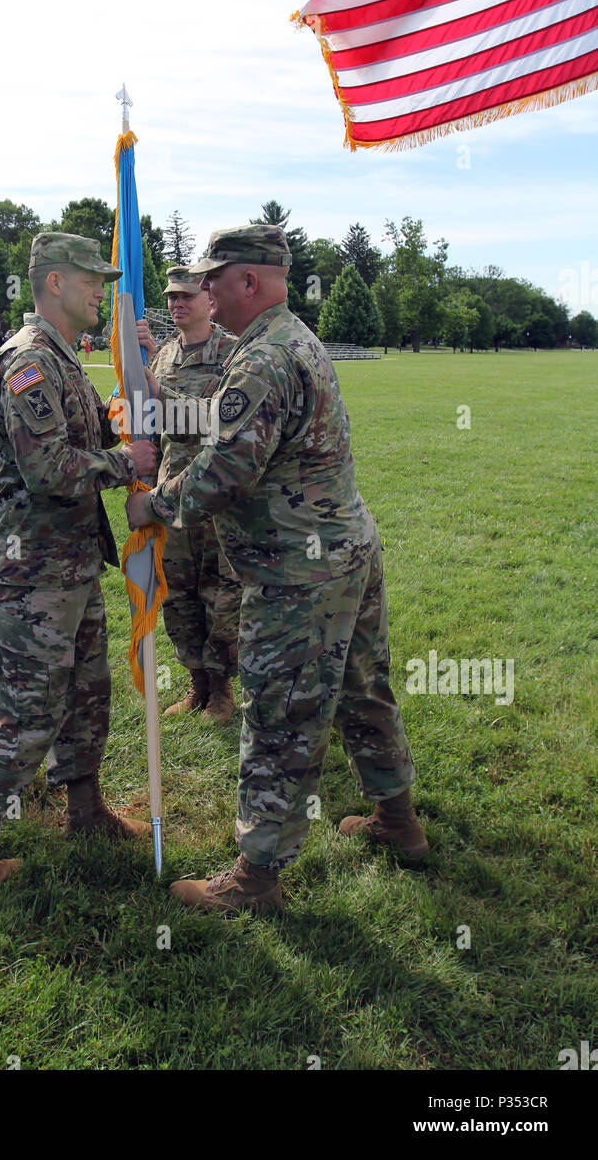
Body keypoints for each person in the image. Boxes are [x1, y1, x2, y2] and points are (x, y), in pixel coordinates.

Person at [128, 225, 427, 914]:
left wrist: (156, 503)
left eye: (213, 279)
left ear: (248, 283)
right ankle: (398, 821)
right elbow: (234, 431)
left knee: (280, 717)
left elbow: (228, 470)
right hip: (347, 552)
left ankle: (256, 878)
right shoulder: (295, 340)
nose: (201, 291)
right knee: (362, 689)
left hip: (299, 573)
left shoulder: (263, 358)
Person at [0, 232, 157, 903]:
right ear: (54, 282)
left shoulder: (63, 361)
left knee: (88, 690)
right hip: (35, 569)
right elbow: (49, 469)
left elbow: (87, 440)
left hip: (72, 558)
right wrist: (127, 464)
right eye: (92, 279)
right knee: (24, 710)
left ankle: (84, 810)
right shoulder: (27, 364)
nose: (103, 291)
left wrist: (139, 400)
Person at [145, 267, 240, 723]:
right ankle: (195, 682)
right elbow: (153, 420)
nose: (176, 303)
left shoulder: (232, 355)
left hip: (217, 495)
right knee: (177, 590)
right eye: (170, 297)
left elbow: (218, 423)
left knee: (221, 593)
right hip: (171, 494)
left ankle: (222, 690)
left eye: (186, 295)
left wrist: (160, 395)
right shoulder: (163, 356)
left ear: (208, 299)